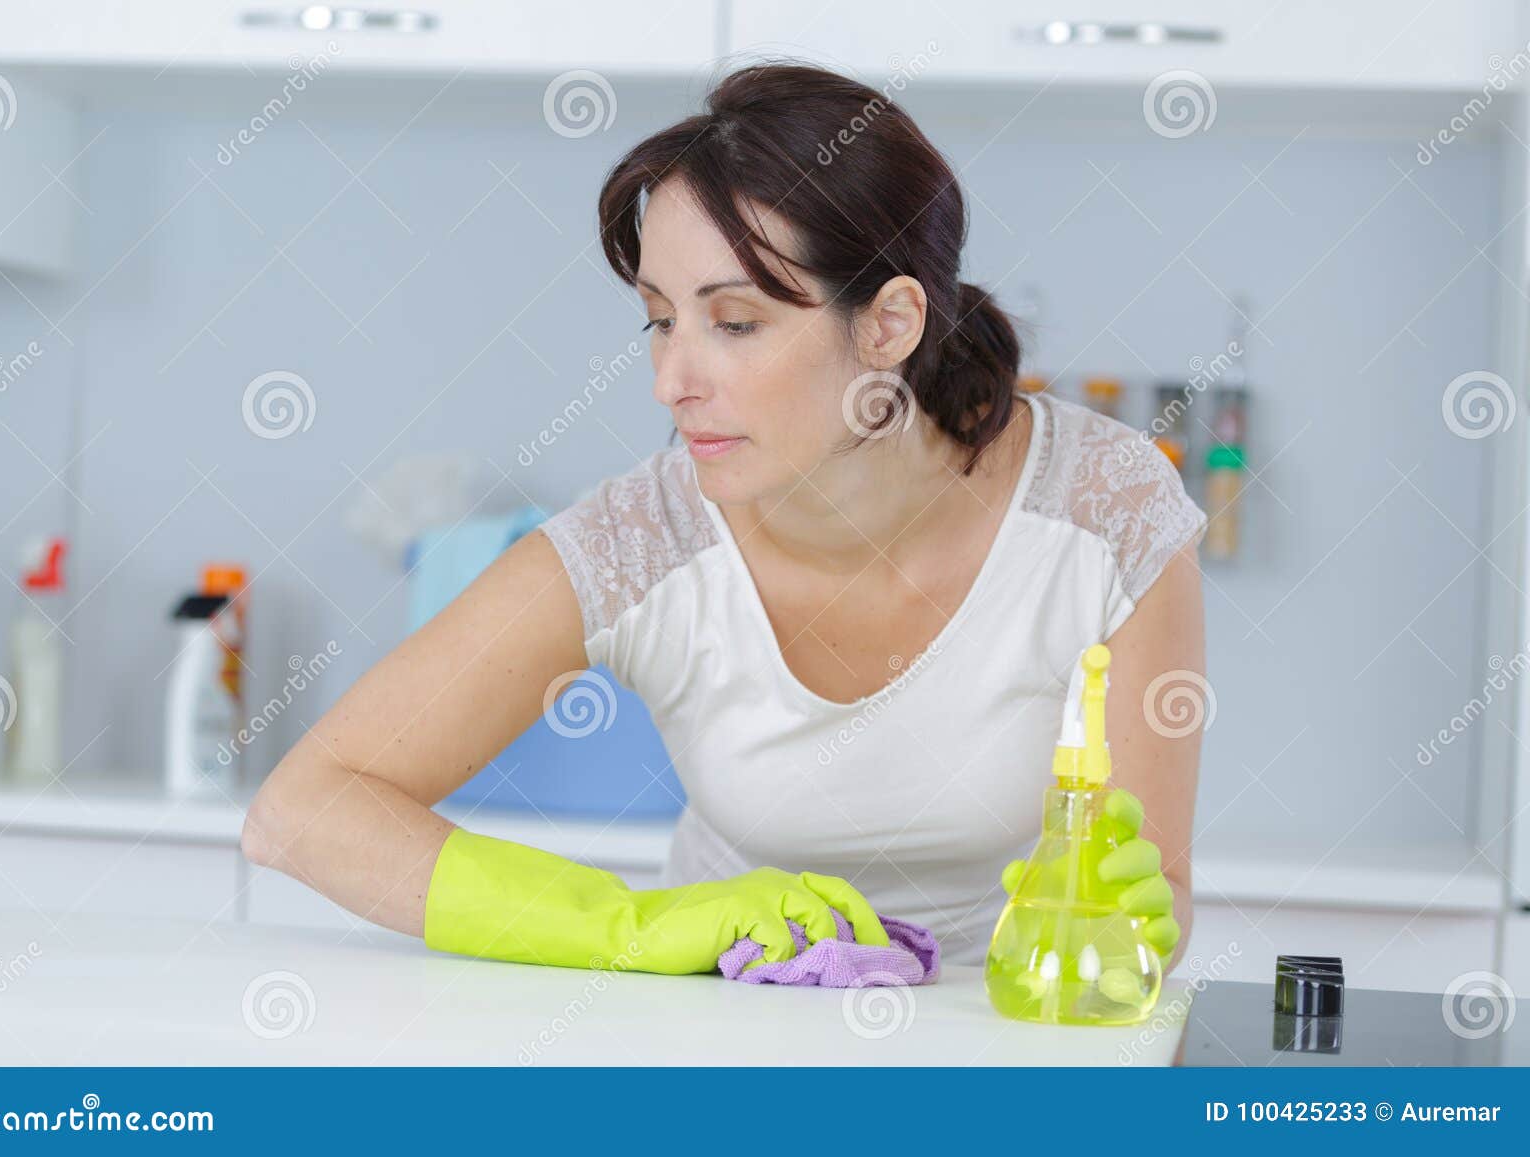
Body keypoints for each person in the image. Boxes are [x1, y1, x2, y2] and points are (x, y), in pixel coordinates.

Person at [242, 62, 1206, 974]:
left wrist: (1130, 925)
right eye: (660, 319)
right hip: (723, 1029)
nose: (671, 381)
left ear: (890, 324)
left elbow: (1151, 893)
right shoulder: (642, 540)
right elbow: (302, 809)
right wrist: (627, 924)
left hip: (1003, 1039)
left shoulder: (1103, 508)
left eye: (734, 323)